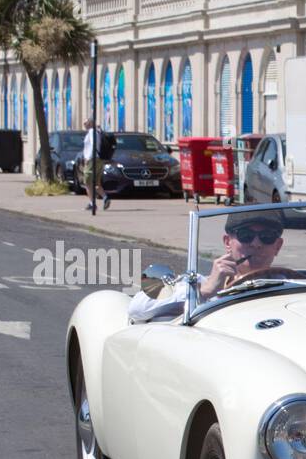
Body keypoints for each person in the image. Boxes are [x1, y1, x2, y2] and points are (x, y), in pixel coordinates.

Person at [129, 211, 287, 323]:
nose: (256, 244)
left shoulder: (293, 286)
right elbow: (136, 309)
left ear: (278, 246)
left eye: (267, 237)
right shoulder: (197, 283)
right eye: (246, 235)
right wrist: (205, 290)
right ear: (227, 242)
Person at [79, 118, 111, 213]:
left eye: (86, 122)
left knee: (87, 182)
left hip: (92, 159)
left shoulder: (92, 132)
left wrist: (88, 159)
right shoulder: (97, 131)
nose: (84, 124)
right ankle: (105, 198)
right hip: (98, 159)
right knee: (96, 183)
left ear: (91, 123)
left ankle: (92, 204)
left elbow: (94, 145)